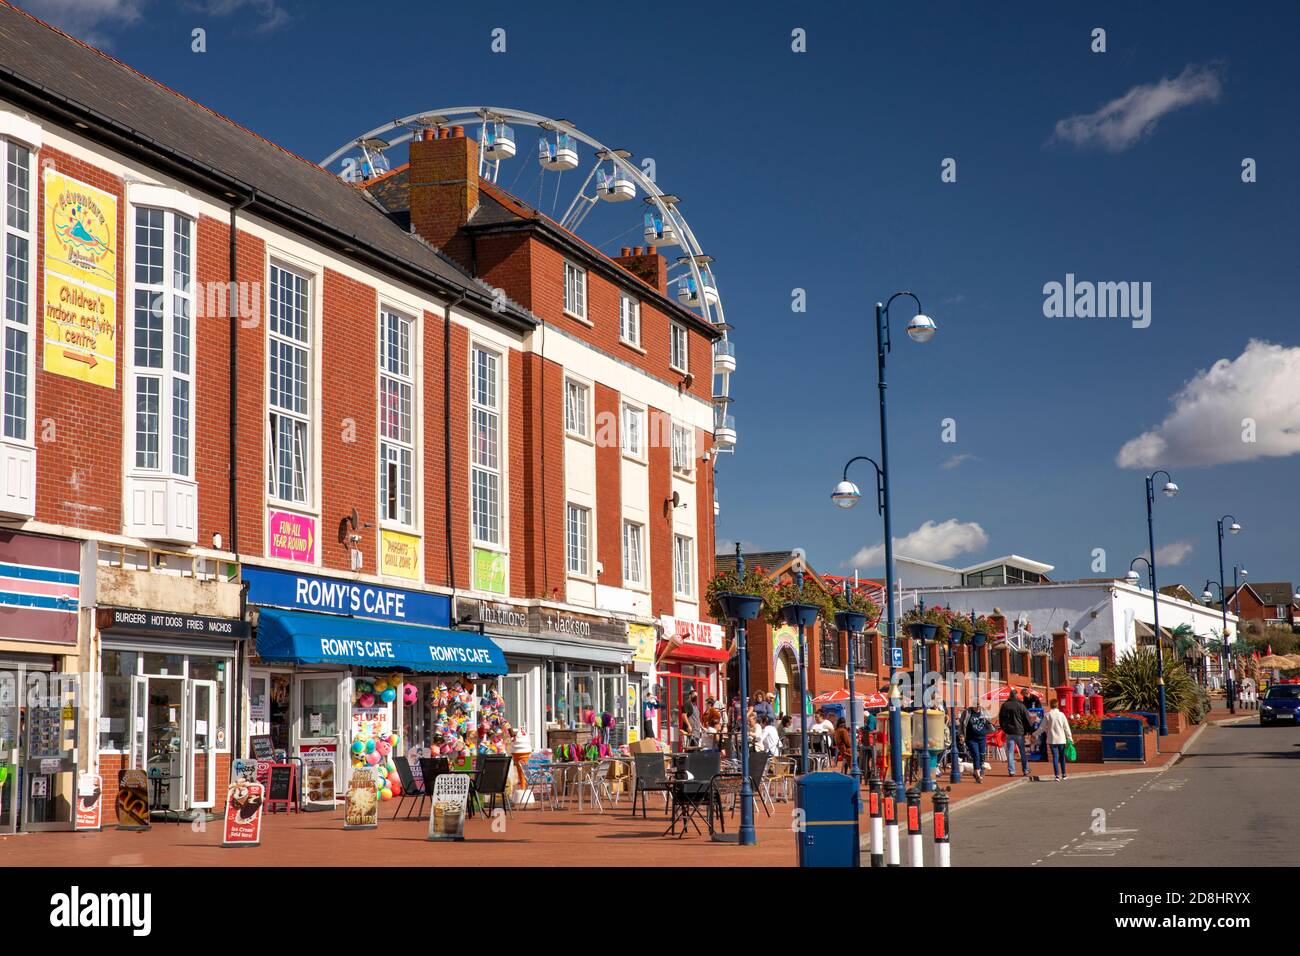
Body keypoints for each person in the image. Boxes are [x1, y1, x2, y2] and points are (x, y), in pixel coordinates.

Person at [998, 689, 1036, 777]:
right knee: (1022, 751)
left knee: (1010, 752)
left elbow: (1001, 719)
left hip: (1009, 732)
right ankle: (1025, 770)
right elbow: (1027, 719)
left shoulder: (1005, 705)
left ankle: (1011, 771)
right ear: (1016, 696)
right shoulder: (1021, 705)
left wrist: (1004, 728)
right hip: (1019, 732)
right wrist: (1030, 730)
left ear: (1010, 696)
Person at [1036, 698, 1074, 781]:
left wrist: (1034, 734)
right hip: (1061, 739)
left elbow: (1042, 728)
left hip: (1052, 739)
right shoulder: (1062, 715)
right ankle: (1064, 775)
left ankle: (1057, 776)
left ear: (1050, 705)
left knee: (1055, 757)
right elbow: (1066, 728)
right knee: (1062, 757)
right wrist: (1070, 738)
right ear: (1057, 705)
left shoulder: (1047, 715)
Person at [959, 704, 991, 783]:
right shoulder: (967, 712)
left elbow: (988, 721)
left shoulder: (984, 712)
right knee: (976, 755)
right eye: (976, 706)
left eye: (979, 706)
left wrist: (988, 727)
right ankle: (978, 774)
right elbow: (962, 724)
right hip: (971, 738)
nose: (978, 708)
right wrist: (961, 735)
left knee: (982, 755)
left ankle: (977, 771)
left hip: (982, 737)